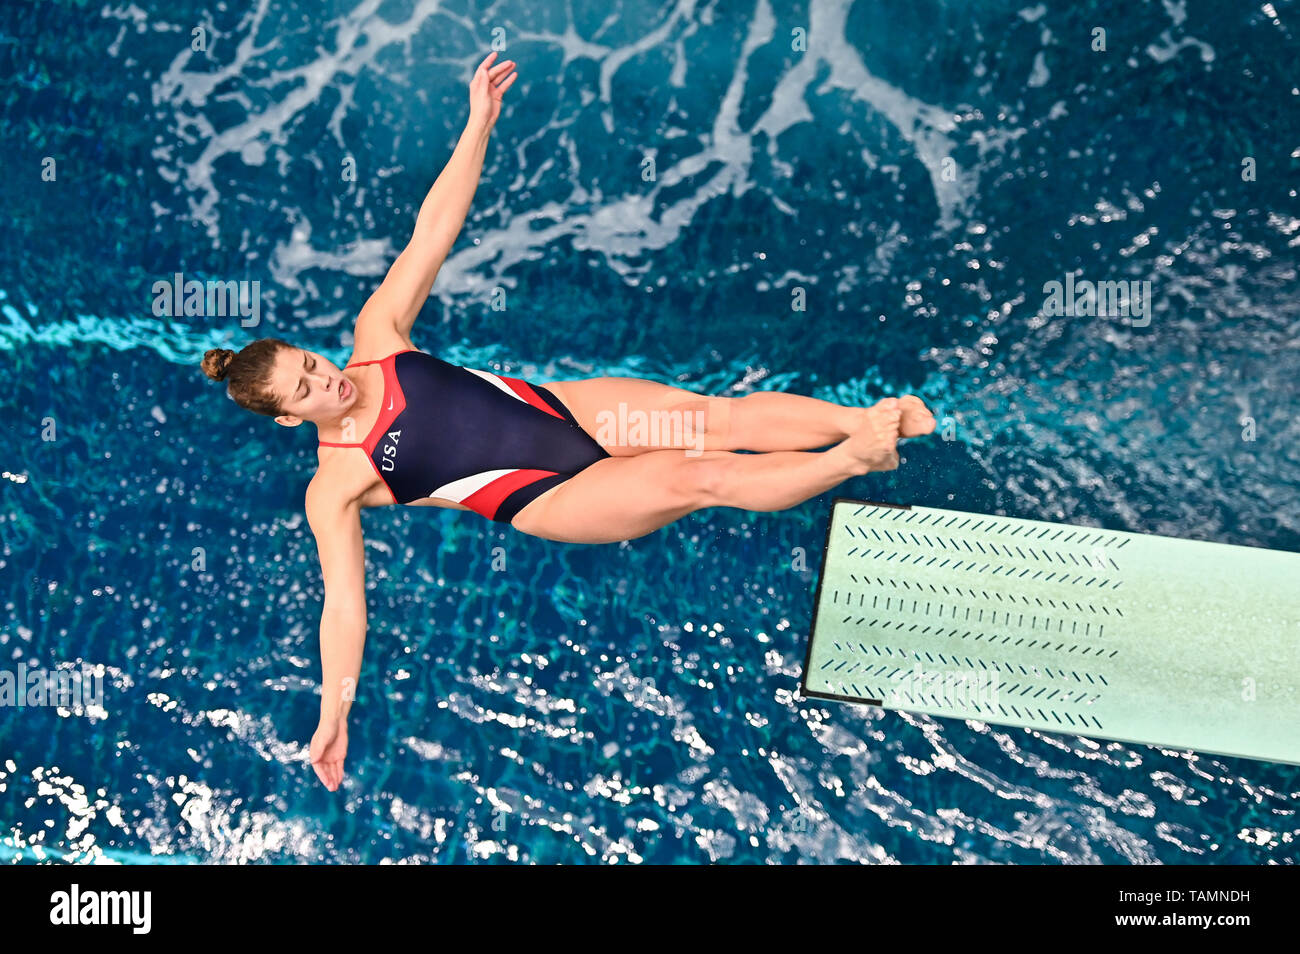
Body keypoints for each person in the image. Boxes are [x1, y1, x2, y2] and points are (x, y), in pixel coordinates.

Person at [201, 52, 936, 791]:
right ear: (291, 419)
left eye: (311, 361)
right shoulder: (335, 485)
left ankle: (870, 422)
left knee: (710, 416)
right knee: (701, 475)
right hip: (547, 496)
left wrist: (477, 124)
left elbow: (433, 231)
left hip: (568, 410)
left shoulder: (376, 338)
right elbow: (344, 608)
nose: (325, 377)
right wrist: (338, 712)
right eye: (308, 388)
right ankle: (852, 459)